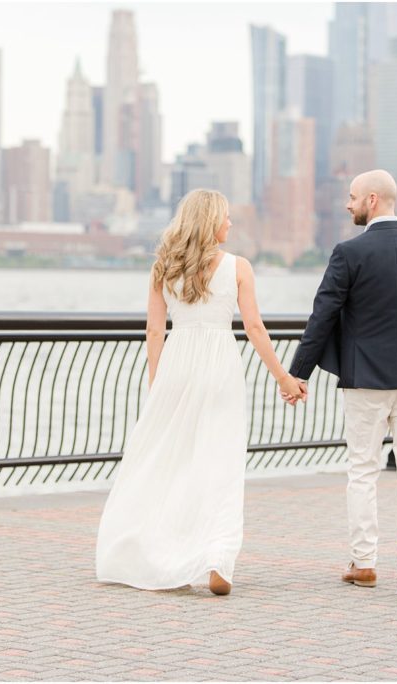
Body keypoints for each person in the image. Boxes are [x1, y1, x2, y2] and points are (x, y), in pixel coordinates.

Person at [95, 189, 307, 596]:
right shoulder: (238, 267)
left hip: (176, 367)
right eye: (225, 217)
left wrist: (157, 384)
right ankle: (218, 558)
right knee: (221, 462)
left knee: (170, 461)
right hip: (219, 368)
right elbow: (255, 328)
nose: (230, 223)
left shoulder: (163, 267)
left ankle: (160, 549)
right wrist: (283, 377)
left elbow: (154, 331)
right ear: (211, 221)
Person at [282, 169, 397, 596]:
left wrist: (298, 373)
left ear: (372, 200)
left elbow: (322, 315)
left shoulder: (348, 253)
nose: (348, 204)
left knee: (362, 469)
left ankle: (364, 563)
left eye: (353, 196)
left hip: (365, 380)